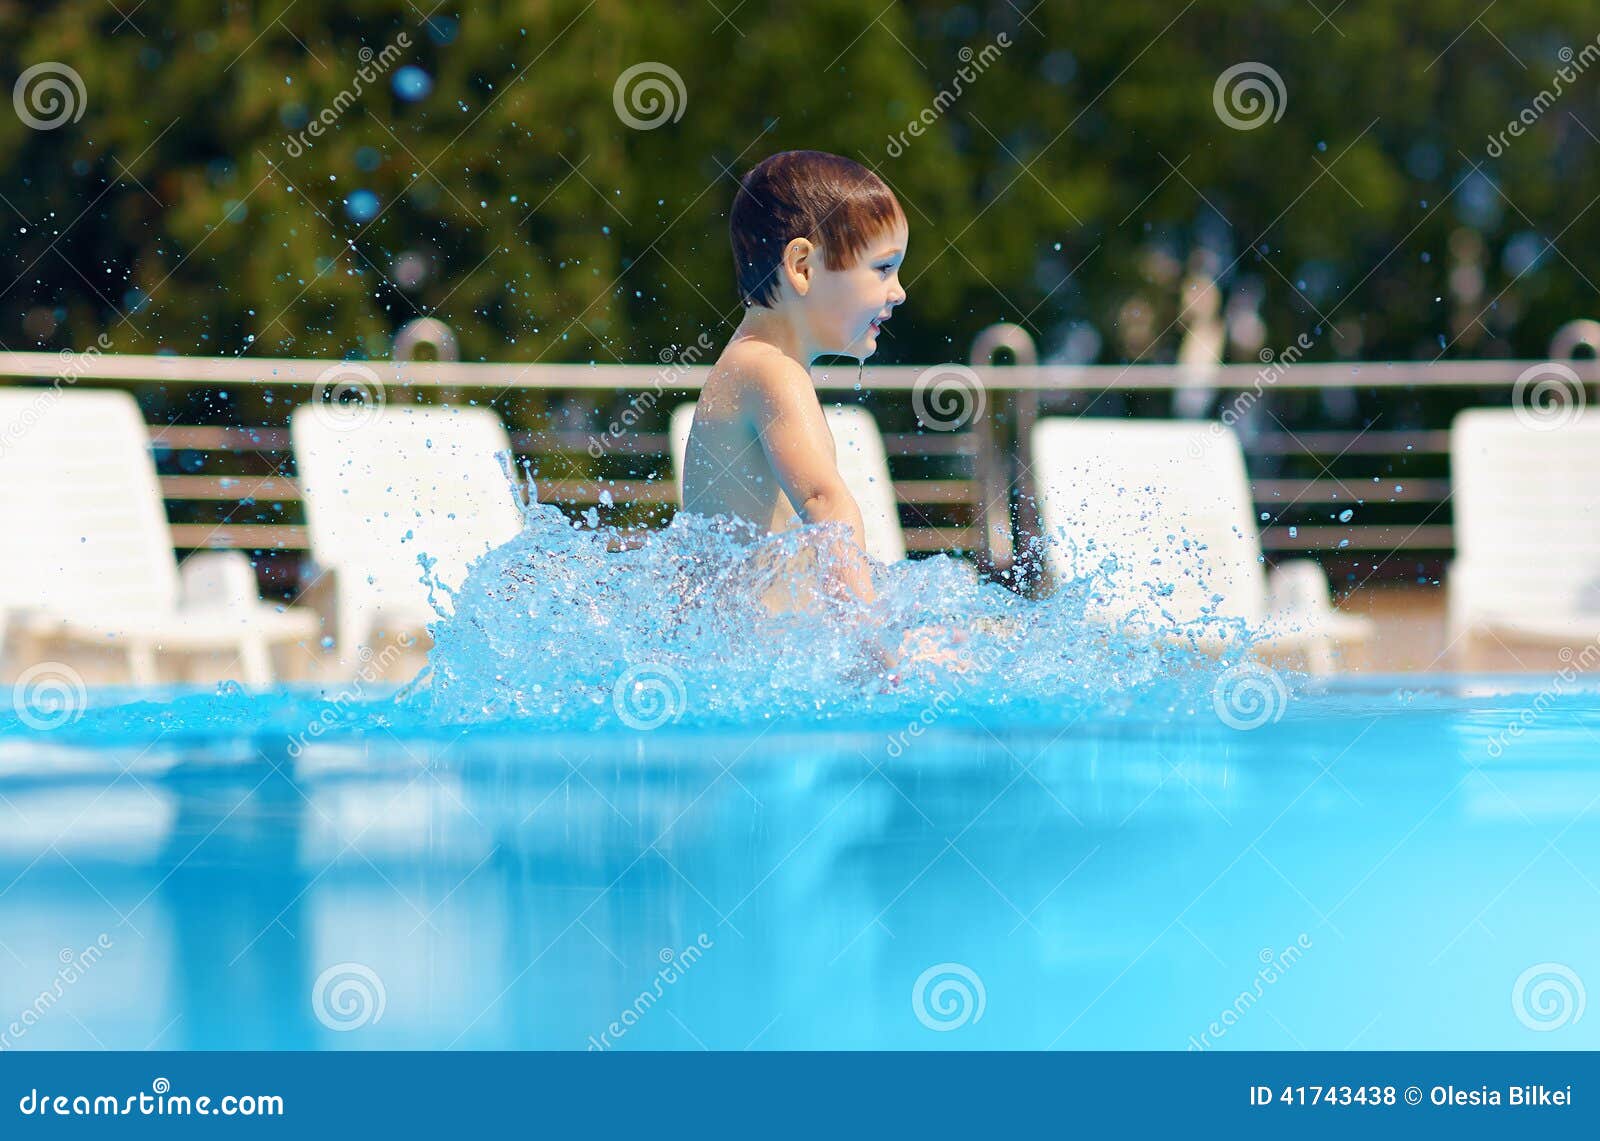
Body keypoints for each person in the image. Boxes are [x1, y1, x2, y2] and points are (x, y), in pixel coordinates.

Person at [679, 150, 962, 677]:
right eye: (883, 268)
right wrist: (878, 654)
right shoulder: (771, 371)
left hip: (740, 663)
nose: (899, 291)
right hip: (753, 674)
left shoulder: (757, 364)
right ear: (803, 267)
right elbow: (825, 506)